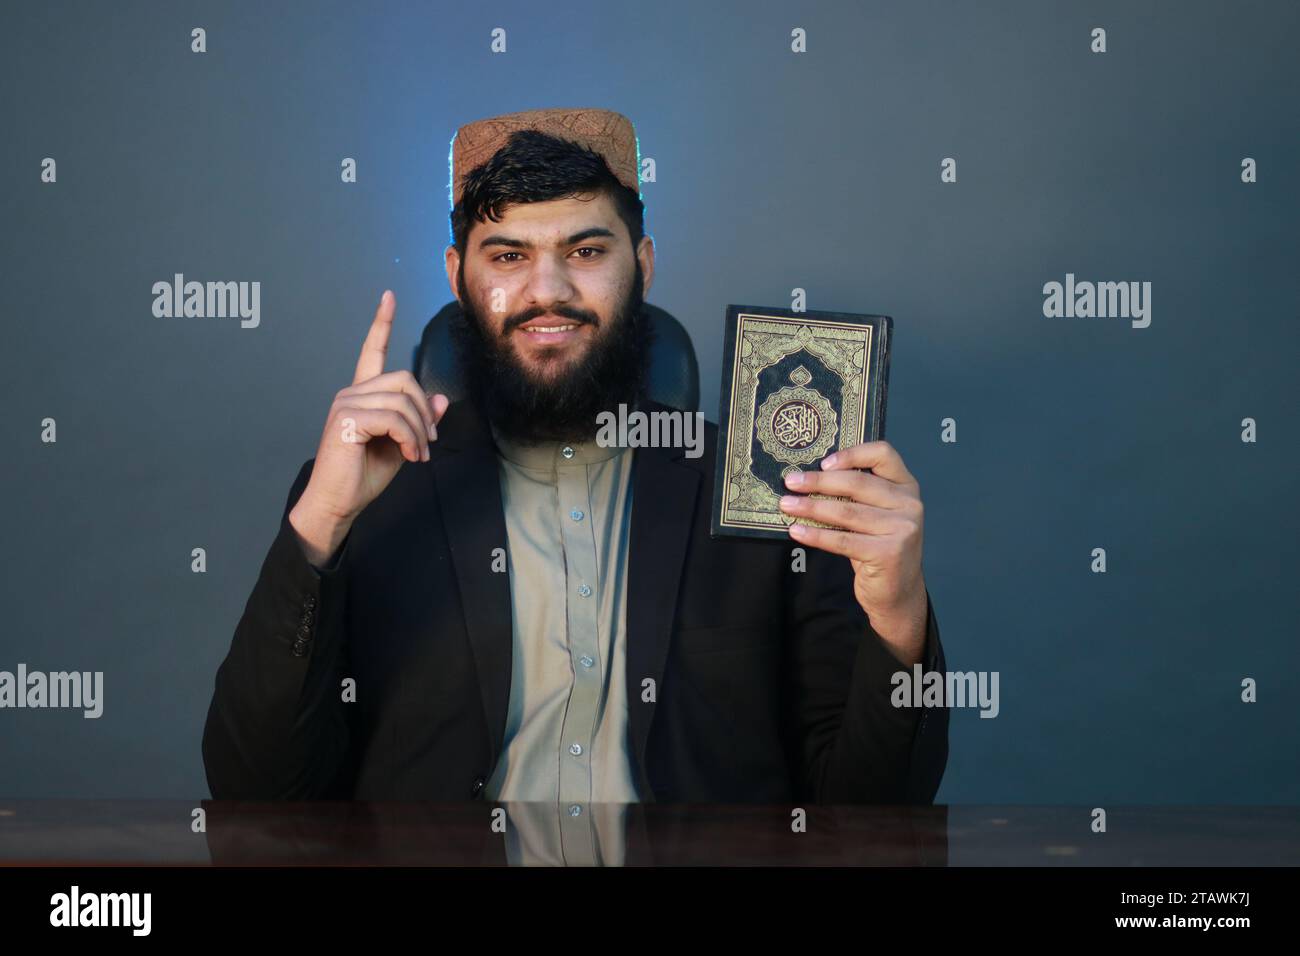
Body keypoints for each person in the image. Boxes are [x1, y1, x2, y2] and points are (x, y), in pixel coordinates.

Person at [202, 107, 948, 807]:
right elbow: (256, 789)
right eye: (508, 256)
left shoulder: (771, 489)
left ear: (644, 265)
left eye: (586, 251)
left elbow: (874, 807)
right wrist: (320, 524)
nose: (547, 291)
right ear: (459, 274)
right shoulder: (360, 491)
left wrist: (898, 614)